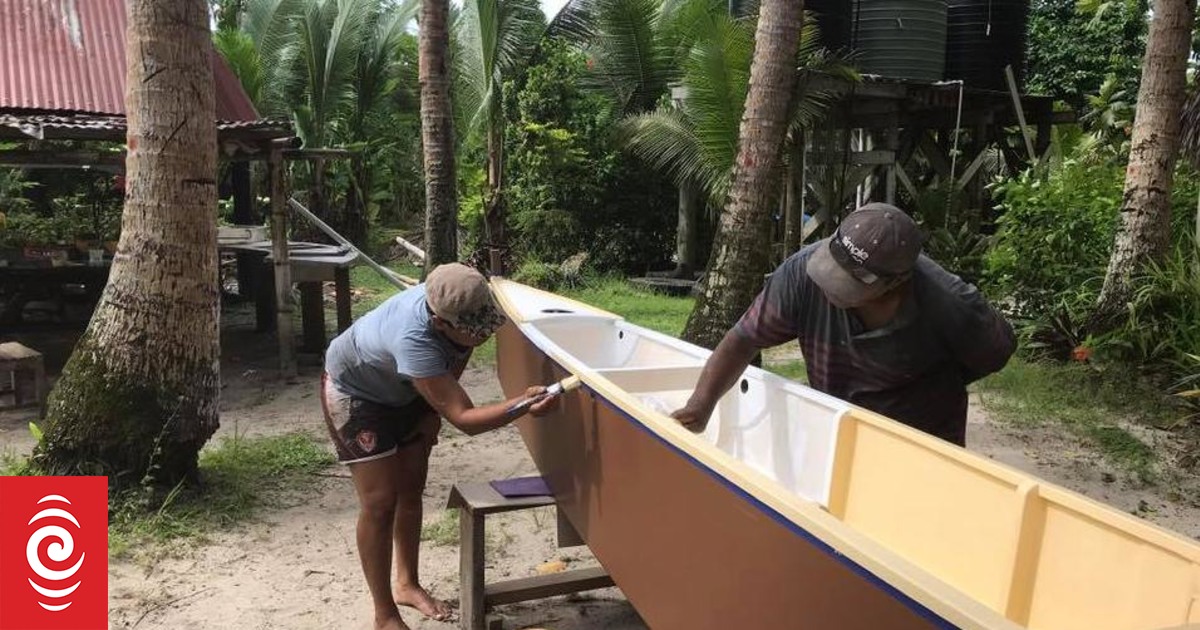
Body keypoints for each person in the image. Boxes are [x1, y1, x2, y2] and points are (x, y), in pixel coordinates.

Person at [321, 262, 560, 630]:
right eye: (473, 331)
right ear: (440, 324)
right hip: (357, 393)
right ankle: (384, 615)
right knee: (381, 502)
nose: (482, 336)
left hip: (408, 389)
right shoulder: (414, 338)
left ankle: (407, 584)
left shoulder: (461, 305)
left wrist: (431, 412)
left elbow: (452, 366)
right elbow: (464, 419)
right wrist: (521, 405)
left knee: (411, 486)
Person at [671, 203, 1016, 446]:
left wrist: (929, 383)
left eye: (852, 281)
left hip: (922, 441)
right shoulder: (801, 275)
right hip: (840, 425)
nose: (830, 286)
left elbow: (994, 354)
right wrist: (700, 407)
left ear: (897, 282)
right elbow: (743, 339)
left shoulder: (950, 303)